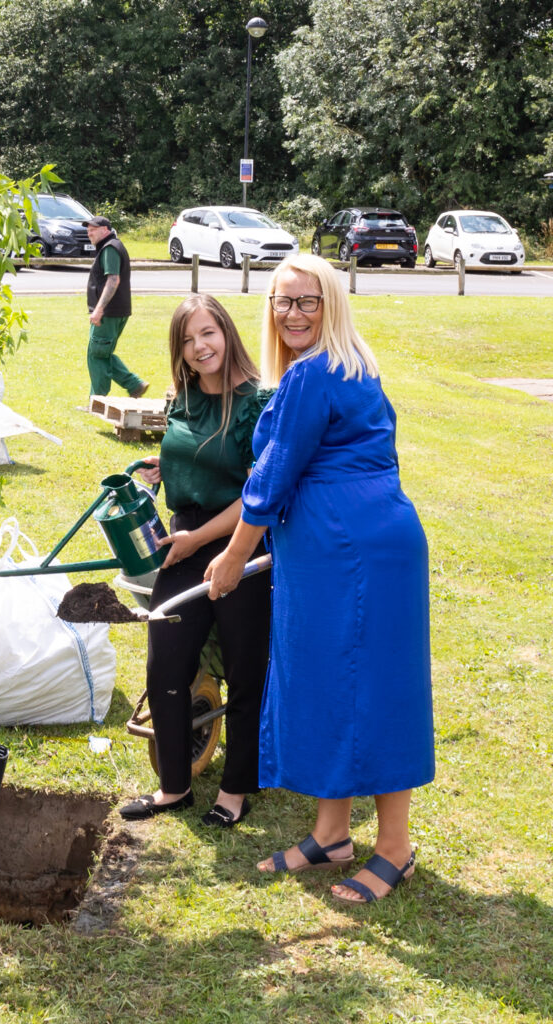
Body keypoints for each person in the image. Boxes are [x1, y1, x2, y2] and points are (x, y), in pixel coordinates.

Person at [206, 252, 432, 904]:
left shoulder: (315, 375)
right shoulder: (353, 367)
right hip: (351, 550)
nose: (294, 312)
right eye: (283, 300)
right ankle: (332, 833)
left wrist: (229, 560)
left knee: (373, 692)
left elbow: (269, 483)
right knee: (334, 683)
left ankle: (394, 849)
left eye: (308, 301)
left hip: (351, 556)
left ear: (331, 306)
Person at [117, 295, 271, 828]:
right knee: (166, 661)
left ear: (226, 333)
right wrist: (169, 464)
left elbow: (258, 488)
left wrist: (202, 535)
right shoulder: (181, 399)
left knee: (245, 667)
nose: (199, 346)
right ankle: (174, 787)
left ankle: (235, 791)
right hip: (183, 540)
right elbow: (197, 450)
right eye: (187, 339)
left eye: (207, 333)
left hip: (242, 544)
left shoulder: (257, 401)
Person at [84, 215, 148, 398]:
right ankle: (135, 385)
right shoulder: (111, 246)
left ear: (105, 230)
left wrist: (99, 308)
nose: (89, 233)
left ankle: (98, 400)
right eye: (88, 230)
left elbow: (113, 279)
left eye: (93, 229)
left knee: (97, 354)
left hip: (108, 313)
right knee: (102, 353)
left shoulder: (110, 248)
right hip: (116, 311)